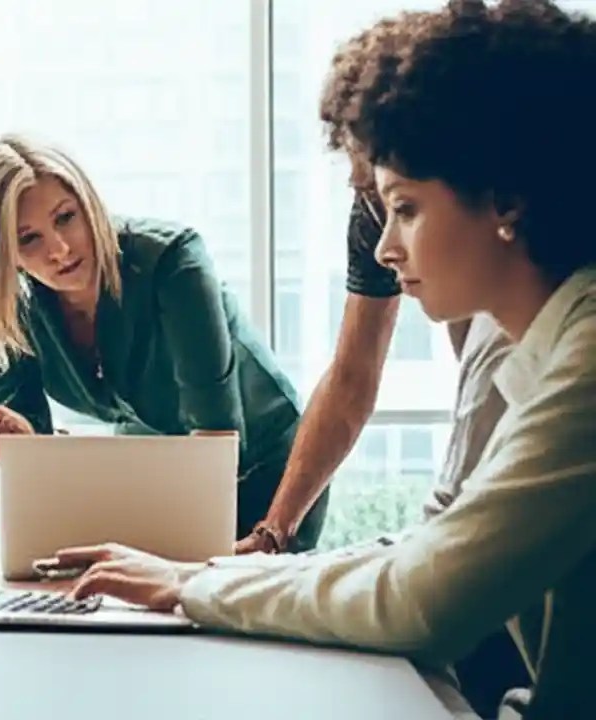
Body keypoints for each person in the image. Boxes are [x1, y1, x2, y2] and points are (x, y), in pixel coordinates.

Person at [59, 2, 596, 717]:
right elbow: (430, 547)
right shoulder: (547, 340)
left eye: (405, 208)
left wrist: (192, 587)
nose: (385, 247)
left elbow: (424, 597)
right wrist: (211, 574)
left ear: (508, 200)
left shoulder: (584, 364)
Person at [0, 135, 324, 552]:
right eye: (29, 239)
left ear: (88, 203)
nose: (59, 249)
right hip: (157, 482)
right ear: (4, 252)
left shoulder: (173, 260)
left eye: (65, 217)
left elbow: (217, 436)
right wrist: (21, 437)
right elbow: (30, 445)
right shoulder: (13, 306)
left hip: (266, 476)